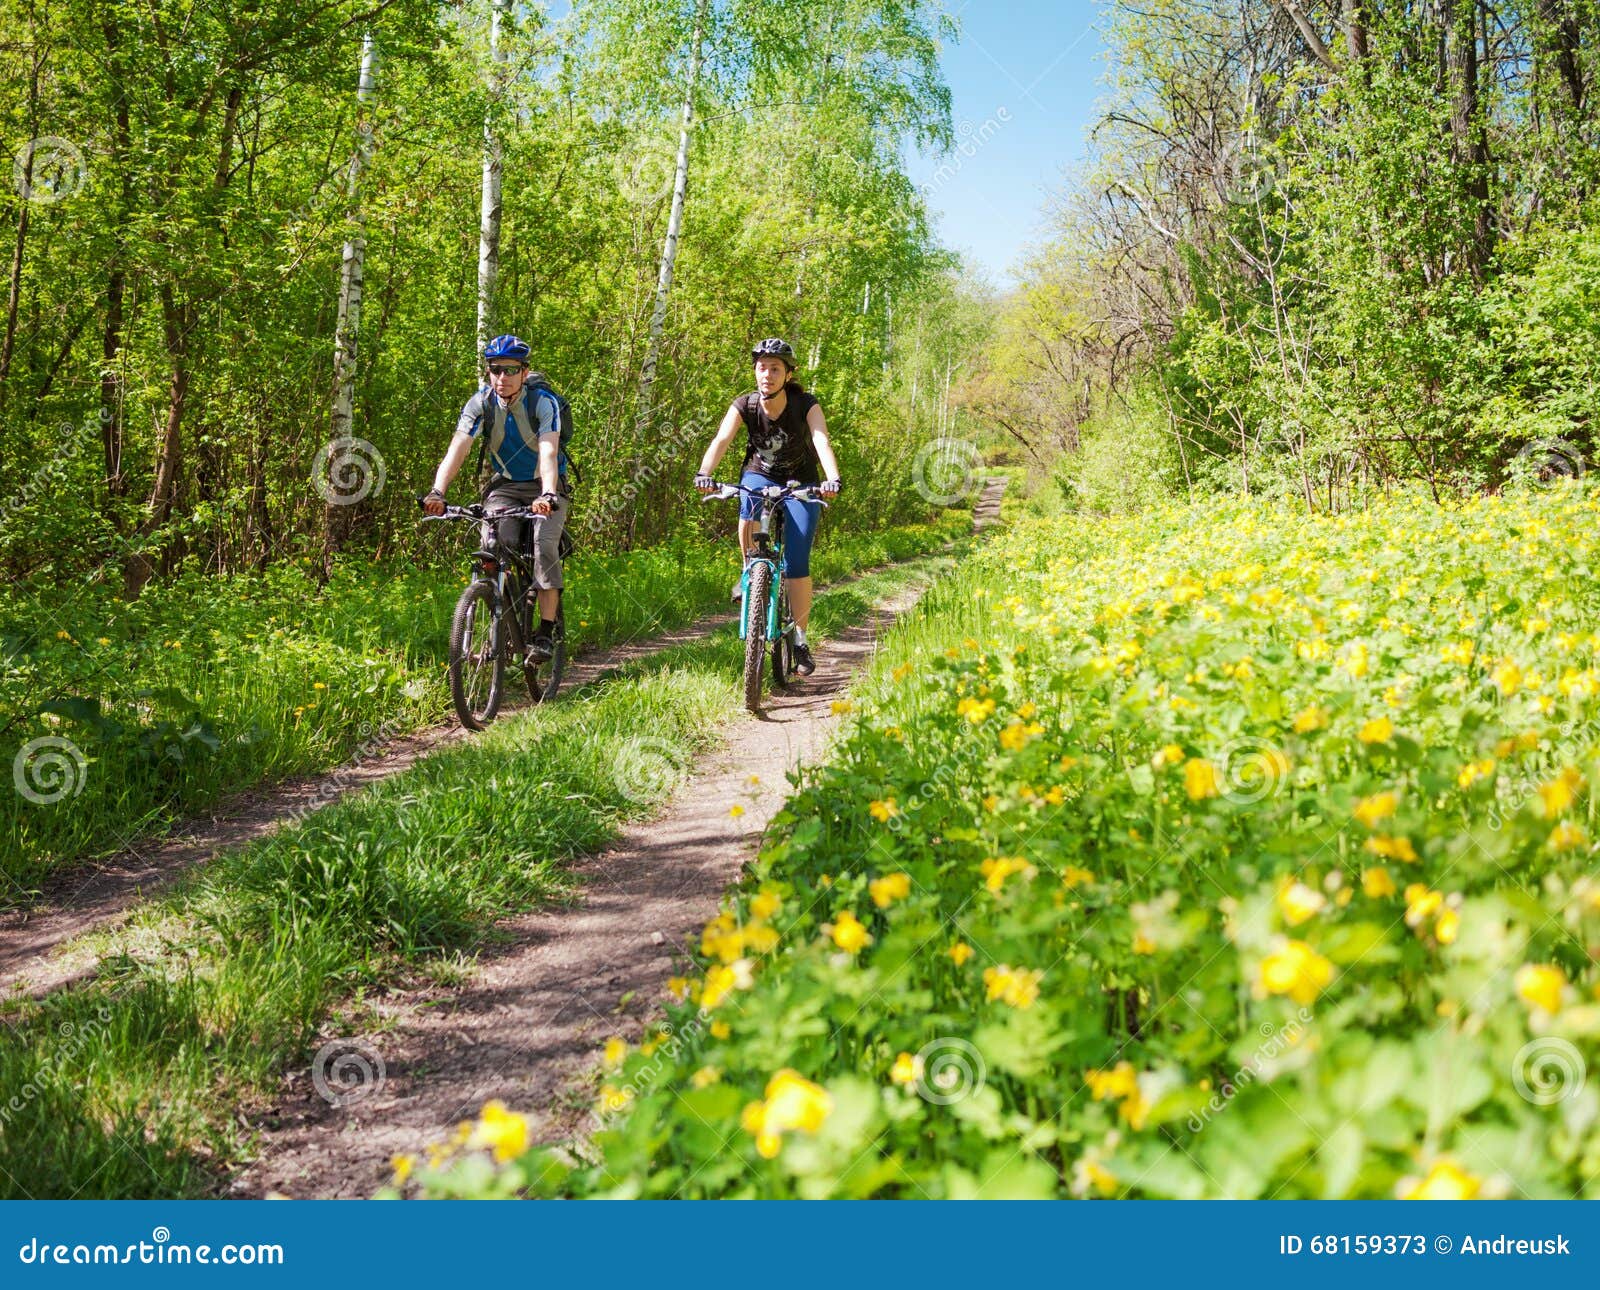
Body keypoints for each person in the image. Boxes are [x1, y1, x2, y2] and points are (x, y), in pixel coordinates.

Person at [695, 338, 842, 676]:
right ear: (755, 371)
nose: (767, 375)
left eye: (775, 368)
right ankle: (749, 570)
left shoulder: (805, 404)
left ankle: (801, 640)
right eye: (762, 368)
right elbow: (721, 440)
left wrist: (832, 479)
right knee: (746, 499)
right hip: (759, 474)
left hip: (801, 481)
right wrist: (705, 473)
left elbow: (821, 439)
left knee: (796, 561)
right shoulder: (744, 405)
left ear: (788, 374)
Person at [423, 334, 566, 660]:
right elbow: (457, 449)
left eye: (510, 370)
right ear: (489, 371)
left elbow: (548, 451)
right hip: (505, 486)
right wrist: (438, 491)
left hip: (546, 484)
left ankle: (544, 633)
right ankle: (498, 617)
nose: (502, 377)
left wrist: (547, 494)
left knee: (544, 546)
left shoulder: (543, 402)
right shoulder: (480, 404)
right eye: (495, 369)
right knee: (492, 544)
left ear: (524, 372)